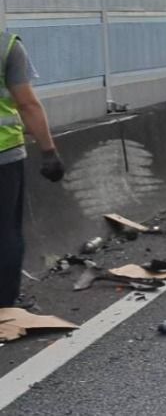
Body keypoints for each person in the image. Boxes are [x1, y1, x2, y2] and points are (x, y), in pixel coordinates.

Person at [0, 30, 64, 309]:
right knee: (6, 231)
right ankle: (5, 302)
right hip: (3, 156)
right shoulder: (6, 45)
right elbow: (26, 103)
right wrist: (49, 151)